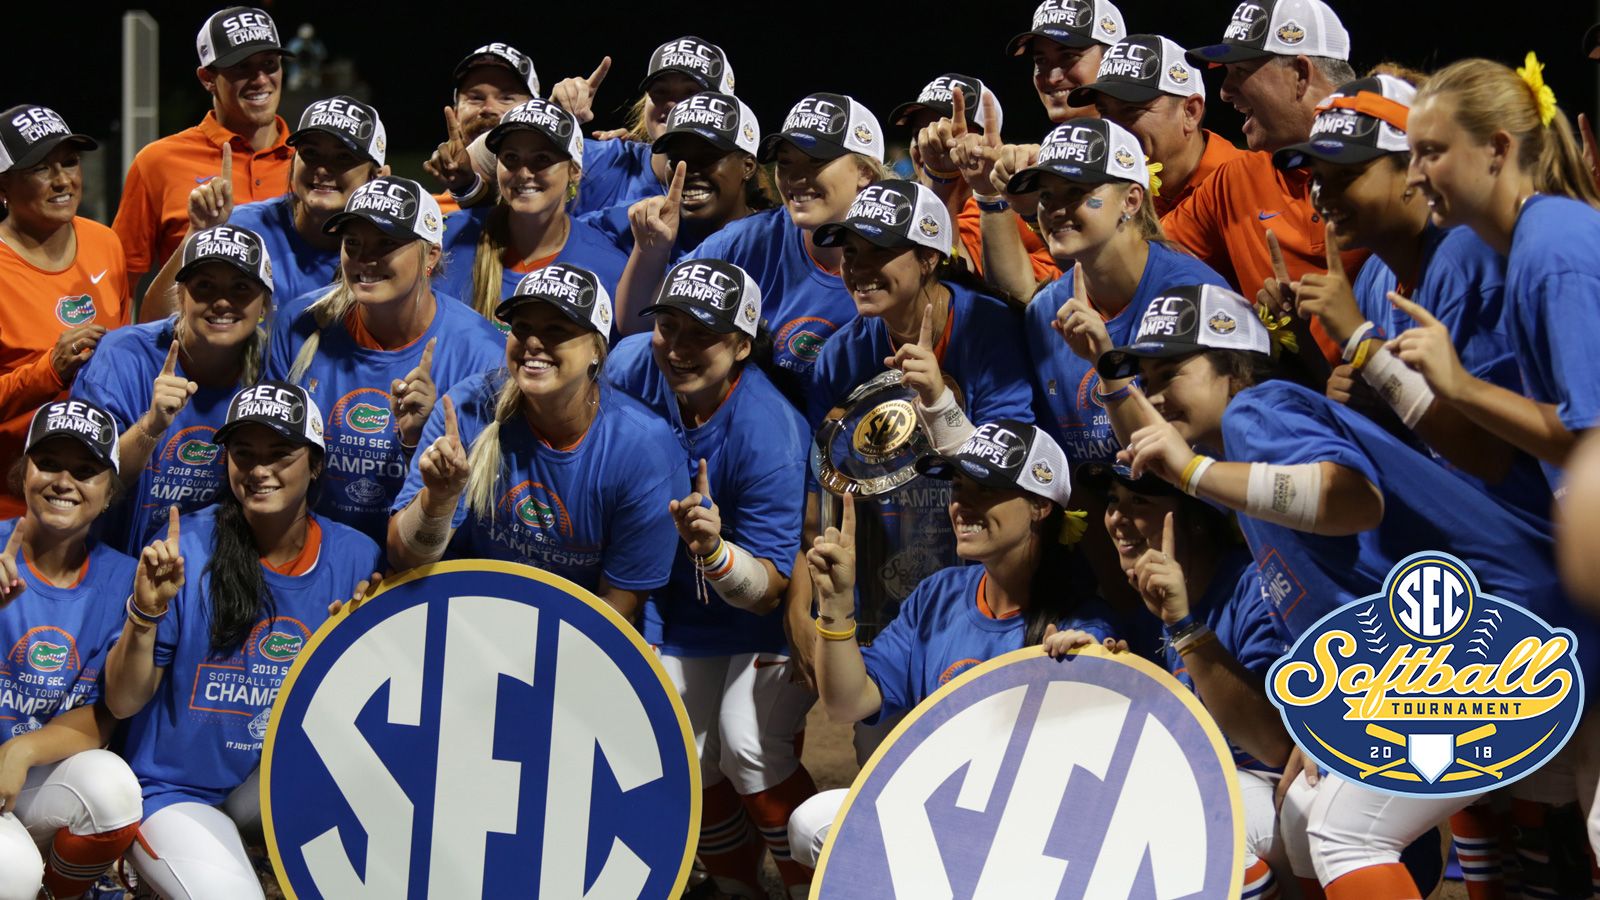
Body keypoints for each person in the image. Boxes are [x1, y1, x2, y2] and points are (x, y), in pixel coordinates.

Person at [1098, 283, 1592, 897]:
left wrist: (1193, 472)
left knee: (1342, 830)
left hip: (1512, 630)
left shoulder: (1259, 411)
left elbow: (1351, 499)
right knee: (1308, 811)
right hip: (1507, 628)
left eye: (1173, 371)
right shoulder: (1240, 471)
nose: (1158, 394)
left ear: (1235, 368)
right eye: (1147, 379)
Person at [786, 421, 1112, 868]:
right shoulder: (938, 595)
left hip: (1027, 839)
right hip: (938, 815)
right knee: (811, 824)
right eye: (959, 487)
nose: (962, 504)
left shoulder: (1079, 621)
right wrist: (837, 605)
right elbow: (847, 703)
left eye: (985, 489)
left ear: (1040, 506)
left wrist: (1096, 674)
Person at [105, 381, 383, 899]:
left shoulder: (355, 560)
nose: (259, 469)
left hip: (281, 792)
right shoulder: (183, 546)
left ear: (315, 463)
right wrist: (145, 612)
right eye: (243, 453)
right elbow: (122, 703)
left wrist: (361, 652)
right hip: (177, 793)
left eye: (280, 453)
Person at [604, 258, 815, 898]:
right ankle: (737, 889)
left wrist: (715, 551)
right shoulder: (632, 365)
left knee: (747, 743)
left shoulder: (769, 429)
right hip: (680, 610)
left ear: (743, 345)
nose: (679, 347)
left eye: (703, 335)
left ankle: (819, 884)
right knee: (684, 757)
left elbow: (773, 589)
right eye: (669, 327)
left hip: (766, 617)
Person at [1270, 72, 1551, 520]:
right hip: (1463, 510)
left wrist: (1365, 345)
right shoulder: (1375, 276)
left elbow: (1493, 460)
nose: (1322, 195)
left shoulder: (1467, 257)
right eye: (1317, 177)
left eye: (1346, 174)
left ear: (1415, 170)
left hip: (1530, 526)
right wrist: (1358, 382)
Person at [388, 264, 683, 621]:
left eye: (556, 331)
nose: (532, 342)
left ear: (597, 349)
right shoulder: (468, 409)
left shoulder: (643, 450)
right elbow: (405, 559)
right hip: (467, 618)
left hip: (578, 634)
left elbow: (619, 605)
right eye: (522, 328)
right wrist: (438, 502)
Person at [1075, 461, 1290, 899]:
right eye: (1114, 500)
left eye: (1140, 501)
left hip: (1298, 804)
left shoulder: (1254, 588)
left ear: (1195, 518)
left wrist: (1185, 628)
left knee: (1182, 816)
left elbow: (1274, 748)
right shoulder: (1149, 602)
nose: (1116, 517)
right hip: (1233, 796)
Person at [1393, 54, 1600, 493]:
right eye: (1411, 155)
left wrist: (1461, 386)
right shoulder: (1537, 240)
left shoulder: (1552, 250)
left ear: (1499, 148)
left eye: (1431, 152)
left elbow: (1591, 445)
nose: (1413, 176)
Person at [261, 176, 505, 541]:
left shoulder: (483, 354)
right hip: (316, 555)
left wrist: (418, 440)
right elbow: (268, 461)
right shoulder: (301, 325)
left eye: (386, 243)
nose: (365, 259)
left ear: (431, 255)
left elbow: (477, 504)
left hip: (424, 567)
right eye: (353, 243)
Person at [620, 92, 885, 396]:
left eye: (815, 162)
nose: (794, 177)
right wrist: (651, 253)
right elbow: (637, 324)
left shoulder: (899, 258)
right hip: (754, 427)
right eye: (785, 162)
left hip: (857, 430)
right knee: (631, 355)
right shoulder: (749, 240)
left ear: (865, 172)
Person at [1008, 117, 1228, 466]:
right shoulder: (1045, 311)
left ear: (1131, 200)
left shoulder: (1195, 296)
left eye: (1076, 192)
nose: (1055, 209)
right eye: (1046, 195)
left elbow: (1193, 463)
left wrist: (1109, 366)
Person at [1163, 0, 1365, 360]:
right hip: (1297, 404)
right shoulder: (1235, 182)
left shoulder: (1395, 164)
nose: (1225, 91)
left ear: (1301, 74)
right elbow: (1140, 260)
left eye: (1240, 70)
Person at [0, 400, 143, 900]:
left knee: (112, 790)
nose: (64, 481)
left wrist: (22, 749)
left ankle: (60, 893)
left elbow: (99, 715)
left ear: (109, 493)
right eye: (49, 463)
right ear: (24, 472)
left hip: (32, 775)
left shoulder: (123, 578)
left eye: (86, 470)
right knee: (10, 870)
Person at [72, 225, 273, 556]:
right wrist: (150, 427)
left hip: (210, 574)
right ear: (180, 296)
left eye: (240, 288)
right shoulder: (121, 357)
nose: (222, 302)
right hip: (110, 562)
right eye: (204, 286)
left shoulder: (272, 371)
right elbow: (82, 483)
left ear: (264, 305)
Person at [113, 6, 295, 311]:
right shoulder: (158, 162)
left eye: (270, 64)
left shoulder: (309, 163)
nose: (261, 79)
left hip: (295, 355)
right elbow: (120, 284)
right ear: (207, 78)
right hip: (197, 352)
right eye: (241, 67)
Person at [0, 105, 130, 520]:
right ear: (3, 184)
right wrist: (49, 370)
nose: (62, 181)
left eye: (70, 162)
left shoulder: (105, 243)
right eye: (40, 168)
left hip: (98, 502)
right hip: (13, 510)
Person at [588, 91, 773, 330]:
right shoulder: (642, 221)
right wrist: (649, 252)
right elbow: (634, 328)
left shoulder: (773, 238)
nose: (687, 171)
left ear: (747, 166)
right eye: (677, 159)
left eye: (707, 158)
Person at [435, 99, 629, 325]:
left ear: (574, 171)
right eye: (511, 158)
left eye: (542, 159)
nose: (524, 173)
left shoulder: (608, 267)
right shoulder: (449, 238)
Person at [893, 75, 1059, 287]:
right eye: (919, 133)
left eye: (945, 133)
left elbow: (956, 282)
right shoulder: (902, 207)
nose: (927, 143)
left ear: (983, 140)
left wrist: (941, 182)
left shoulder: (1018, 206)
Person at [224, 95, 390, 301]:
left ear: (376, 176)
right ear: (293, 162)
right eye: (310, 152)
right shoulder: (243, 229)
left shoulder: (395, 247)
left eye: (343, 157)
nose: (322, 168)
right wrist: (195, 232)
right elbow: (178, 316)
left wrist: (445, 186)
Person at [557, 35, 737, 217]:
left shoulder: (739, 196)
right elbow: (533, 167)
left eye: (691, 93)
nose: (672, 104)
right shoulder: (605, 160)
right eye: (660, 91)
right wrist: (552, 122)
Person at [1067, 34, 1246, 215]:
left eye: (1130, 110)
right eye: (1104, 112)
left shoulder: (1245, 180)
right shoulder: (1108, 188)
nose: (1113, 130)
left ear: (1190, 112)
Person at [423, 42, 539, 214]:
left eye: (507, 98)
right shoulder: (430, 217)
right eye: (475, 98)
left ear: (535, 110)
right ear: (455, 116)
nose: (488, 108)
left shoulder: (567, 200)